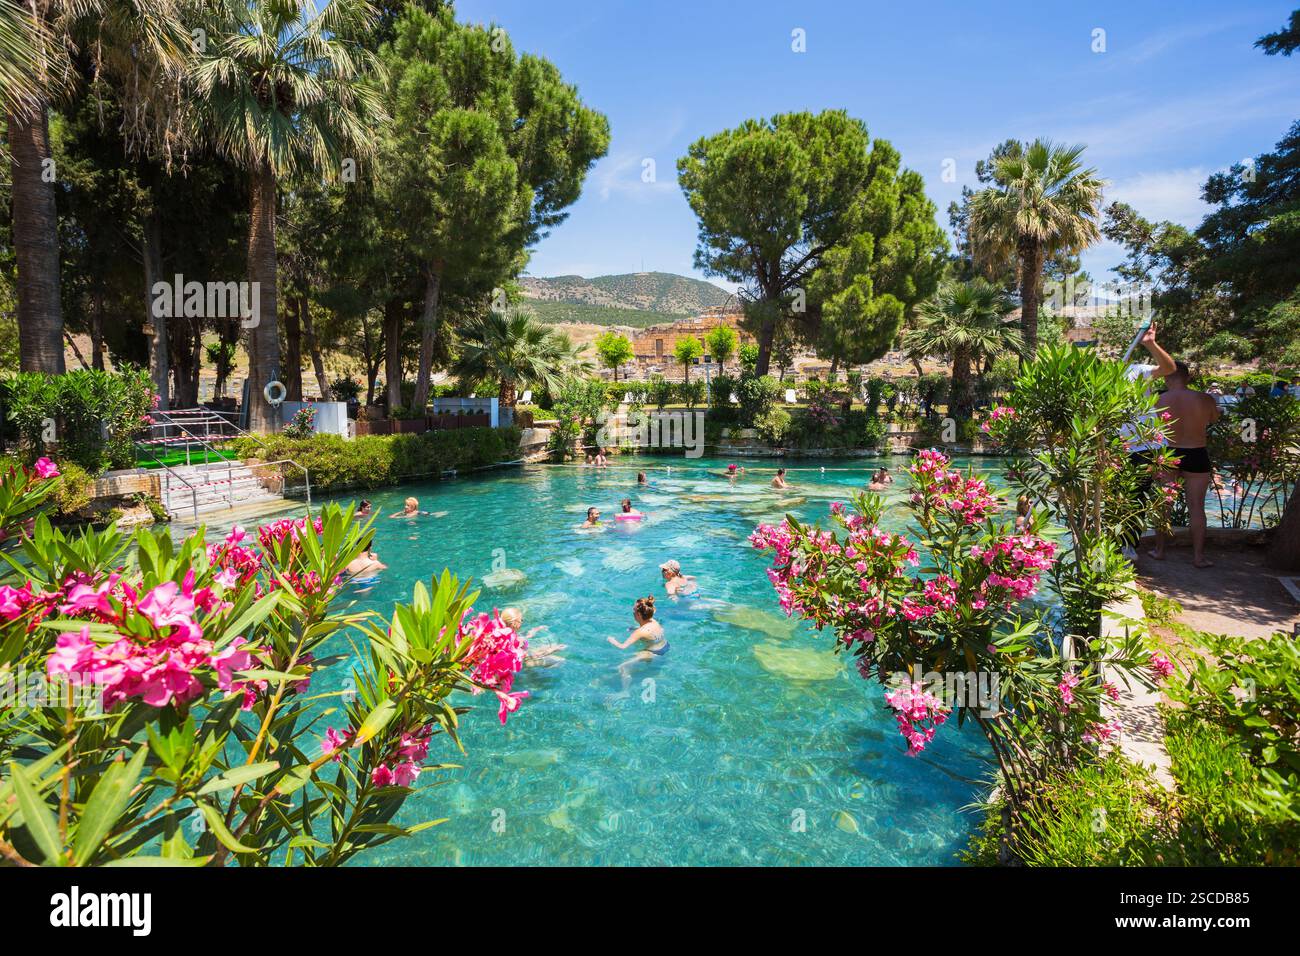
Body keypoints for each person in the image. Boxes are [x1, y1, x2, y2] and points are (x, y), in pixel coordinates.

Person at [1117, 322, 1178, 559]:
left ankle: (1128, 544)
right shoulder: (1097, 376)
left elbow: (1169, 368)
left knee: (1136, 496)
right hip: (1114, 447)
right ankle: (1111, 544)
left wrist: (1151, 344)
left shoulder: (1137, 370)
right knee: (1114, 496)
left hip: (1143, 445)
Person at [1151, 360, 1221, 568]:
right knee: (1197, 508)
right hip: (1197, 452)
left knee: (1164, 505)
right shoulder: (1204, 398)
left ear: (1165, 377)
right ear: (1187, 377)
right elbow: (1213, 419)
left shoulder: (1157, 399)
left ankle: (1159, 550)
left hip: (1168, 452)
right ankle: (1198, 557)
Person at [607, 595, 667, 694]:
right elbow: (651, 630)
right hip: (664, 646)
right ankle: (649, 671)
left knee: (623, 667)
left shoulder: (640, 632)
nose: (633, 613)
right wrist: (634, 628)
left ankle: (624, 692)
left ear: (638, 615)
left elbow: (623, 646)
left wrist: (611, 639)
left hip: (653, 652)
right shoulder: (653, 621)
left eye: (634, 611)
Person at [501, 607, 566, 667]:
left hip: (526, 654)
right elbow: (532, 656)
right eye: (521, 620)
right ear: (514, 623)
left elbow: (523, 638)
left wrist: (535, 630)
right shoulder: (515, 642)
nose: (522, 622)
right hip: (527, 660)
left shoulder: (503, 634)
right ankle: (533, 675)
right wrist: (552, 650)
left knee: (553, 646)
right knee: (561, 660)